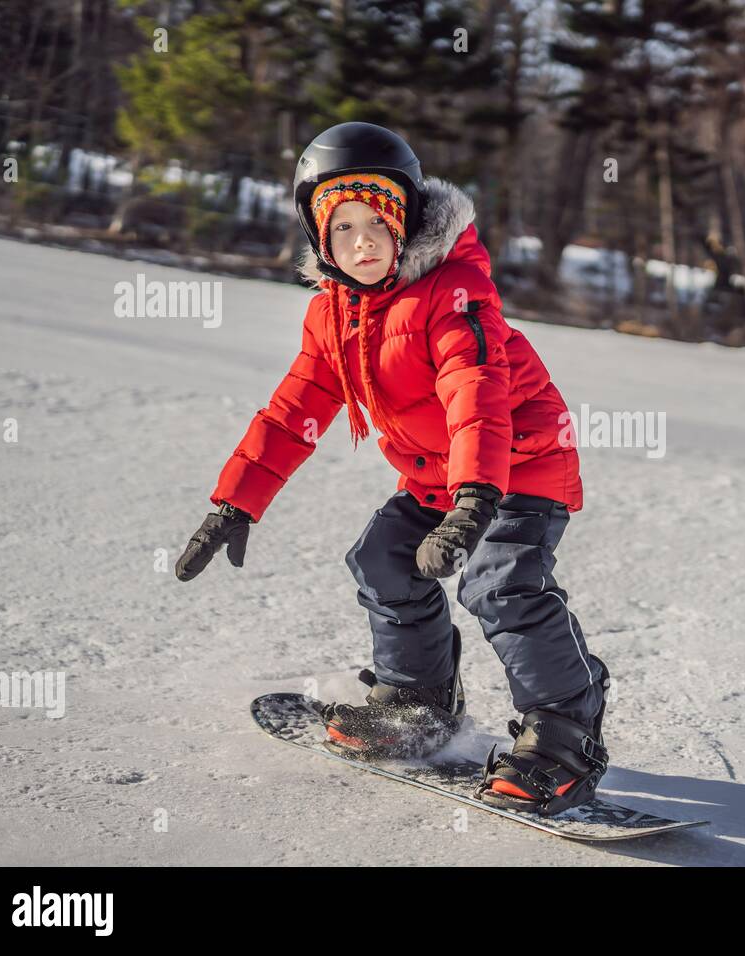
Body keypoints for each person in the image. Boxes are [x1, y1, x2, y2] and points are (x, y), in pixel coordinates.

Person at [175, 122, 610, 816]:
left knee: (501, 585)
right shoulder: (333, 316)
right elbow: (292, 416)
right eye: (341, 228)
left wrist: (474, 501)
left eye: (377, 222)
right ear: (320, 239)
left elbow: (477, 396)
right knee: (382, 559)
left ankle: (564, 733)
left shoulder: (454, 295)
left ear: (405, 222)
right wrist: (235, 504)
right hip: (441, 477)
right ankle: (417, 701)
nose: (361, 242)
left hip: (516, 466)